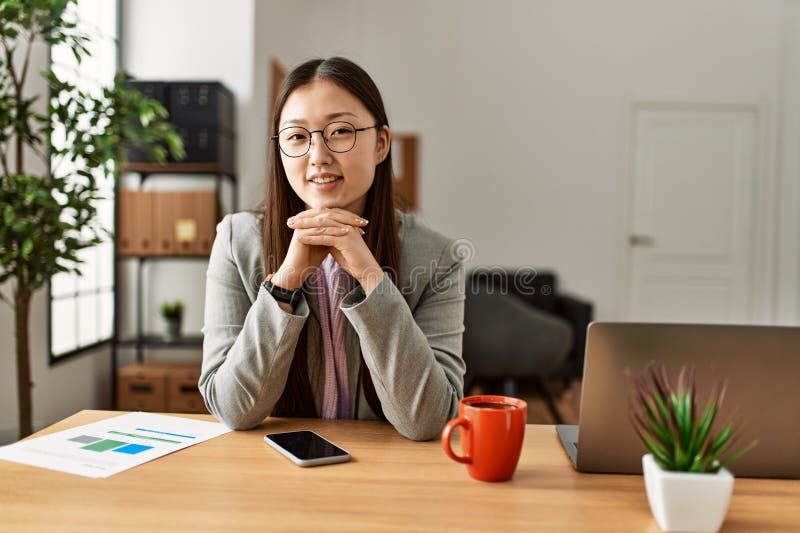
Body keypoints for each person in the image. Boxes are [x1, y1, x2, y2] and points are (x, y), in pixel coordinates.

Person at [199, 57, 466, 441]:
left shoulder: (438, 258)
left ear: (381, 143)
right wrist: (286, 283)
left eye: (340, 131)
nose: (318, 155)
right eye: (296, 136)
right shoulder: (236, 242)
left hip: (387, 477)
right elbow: (232, 410)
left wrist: (371, 277)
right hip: (271, 475)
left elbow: (428, 421)